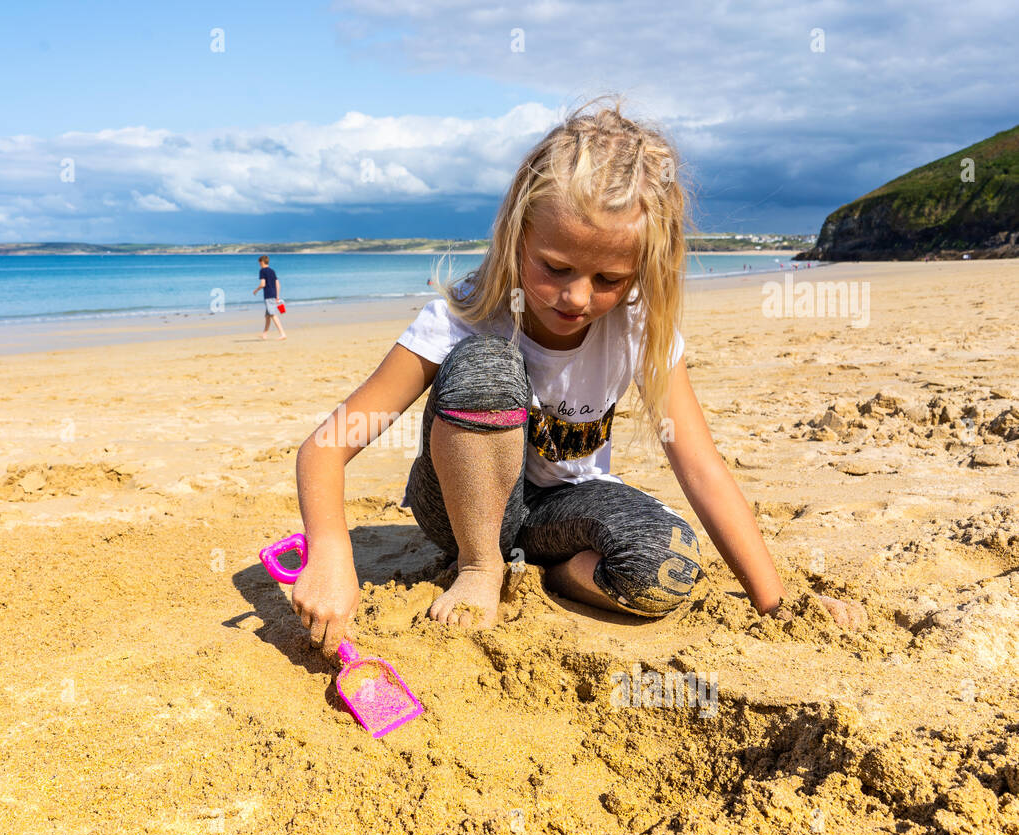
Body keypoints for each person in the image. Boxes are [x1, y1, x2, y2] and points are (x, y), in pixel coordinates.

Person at [291, 98, 865, 659]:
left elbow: (699, 466)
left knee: (667, 566)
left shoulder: (638, 327)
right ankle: (482, 567)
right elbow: (323, 450)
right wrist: (332, 554)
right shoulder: (463, 316)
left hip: (559, 513)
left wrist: (777, 603)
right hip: (457, 507)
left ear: (643, 270)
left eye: (608, 278)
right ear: (518, 237)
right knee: (486, 366)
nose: (577, 297)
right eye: (555, 268)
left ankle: (545, 574)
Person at [252, 255, 286, 340]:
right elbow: (278, 284)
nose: (259, 265)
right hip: (273, 295)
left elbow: (263, 284)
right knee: (267, 316)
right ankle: (264, 334)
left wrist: (256, 290)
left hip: (268, 296)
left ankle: (282, 334)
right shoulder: (272, 271)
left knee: (273, 315)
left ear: (262, 262)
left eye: (259, 263)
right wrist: (277, 296)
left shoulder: (262, 271)